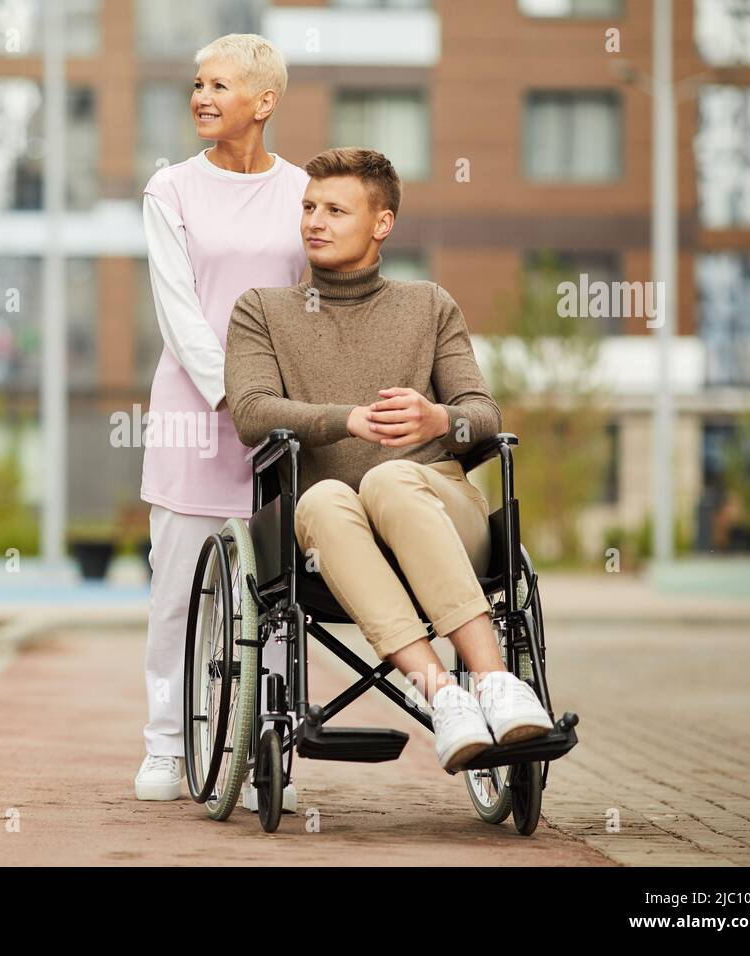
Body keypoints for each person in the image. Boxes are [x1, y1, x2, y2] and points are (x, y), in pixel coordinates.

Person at [224, 147, 555, 773]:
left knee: (393, 478)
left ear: (382, 224)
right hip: (328, 536)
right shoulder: (261, 311)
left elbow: (484, 416)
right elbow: (251, 412)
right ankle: (444, 697)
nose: (314, 222)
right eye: (309, 207)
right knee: (322, 497)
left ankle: (495, 685)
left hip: (437, 510)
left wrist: (437, 419)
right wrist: (340, 418)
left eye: (335, 210)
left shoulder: (429, 305)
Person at [136, 33, 305, 808]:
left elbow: (311, 311)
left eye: (220, 85)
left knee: (274, 595)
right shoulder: (169, 188)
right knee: (178, 592)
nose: (202, 96)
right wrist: (234, 398)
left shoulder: (304, 191)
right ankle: (166, 748)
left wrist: (289, 408)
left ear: (264, 102)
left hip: (280, 424)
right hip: (195, 412)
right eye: (197, 83)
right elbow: (179, 315)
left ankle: (265, 744)